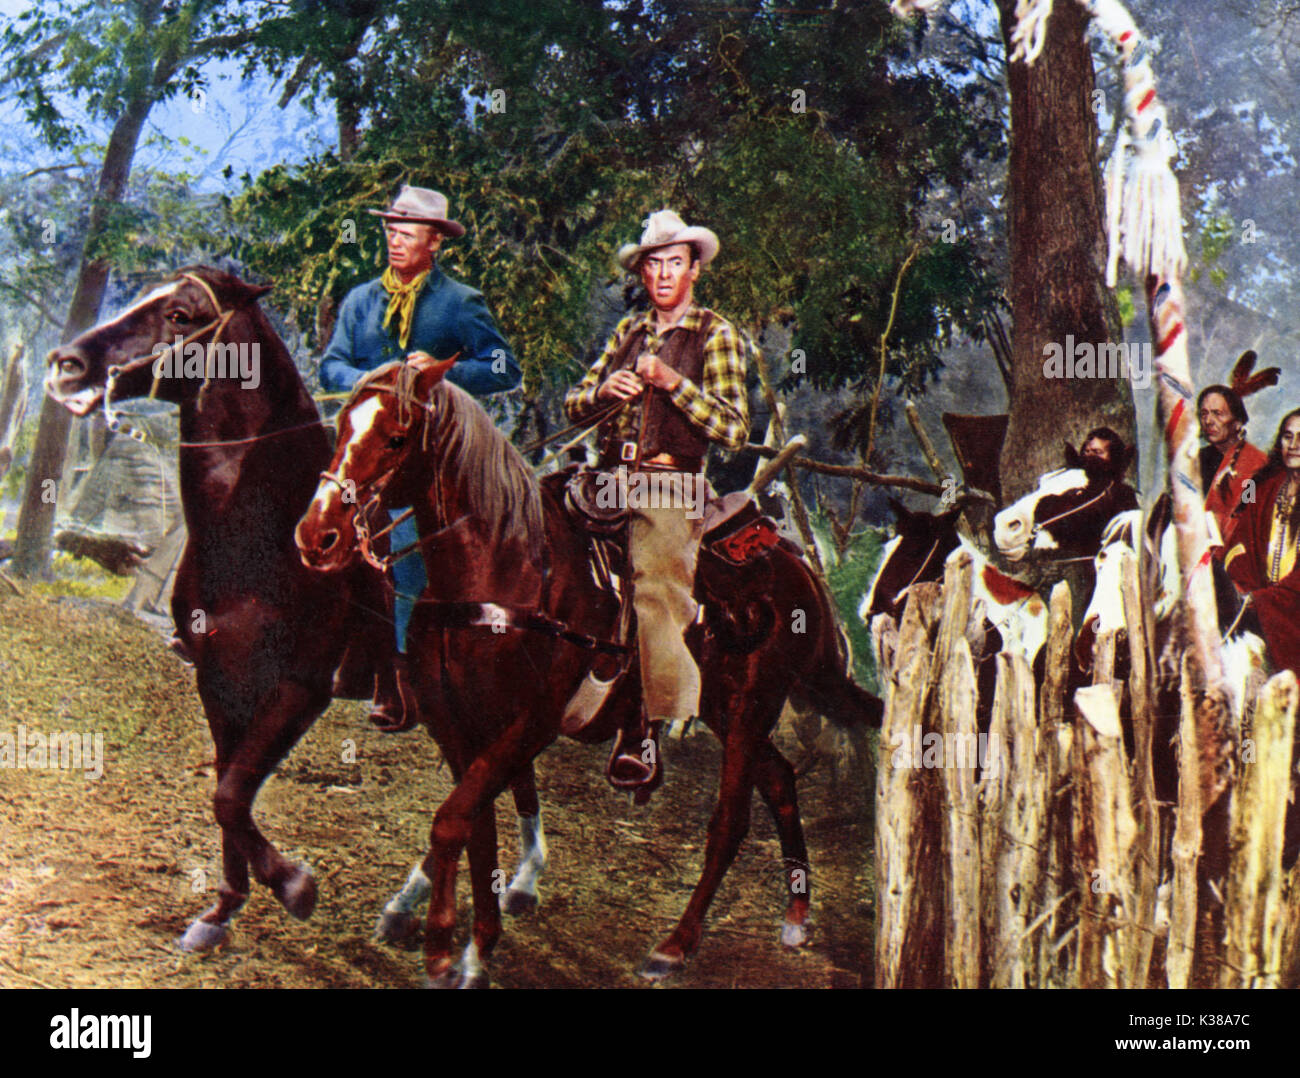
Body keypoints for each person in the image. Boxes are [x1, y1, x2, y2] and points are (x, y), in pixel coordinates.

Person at [320, 185, 521, 730]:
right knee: (315, 518)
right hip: (364, 444)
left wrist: (443, 372)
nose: (396, 240)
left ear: (435, 241)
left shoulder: (460, 303)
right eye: (390, 230)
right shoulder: (361, 300)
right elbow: (329, 367)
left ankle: (401, 678)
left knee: (407, 550)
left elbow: (505, 369)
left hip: (430, 457)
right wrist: (365, 379)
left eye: (408, 232)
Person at [564, 209, 749, 791]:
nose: (664, 274)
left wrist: (674, 384)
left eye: (675, 263)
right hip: (609, 476)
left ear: (694, 269)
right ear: (643, 274)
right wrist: (601, 392)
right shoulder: (627, 334)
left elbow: (734, 428)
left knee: (654, 583)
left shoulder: (715, 334)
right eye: (654, 265)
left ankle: (644, 727)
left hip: (671, 484)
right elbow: (573, 403)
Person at [1224, 408, 1300, 676]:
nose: (1294, 446)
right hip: (1261, 605)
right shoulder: (1265, 488)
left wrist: (1266, 600)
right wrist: (1246, 591)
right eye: (1288, 437)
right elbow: (1240, 545)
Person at [1197, 384, 1268, 549]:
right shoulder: (1194, 461)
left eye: (1218, 414)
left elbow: (1247, 517)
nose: (1208, 421)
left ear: (1237, 423)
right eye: (1204, 414)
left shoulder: (1256, 464)